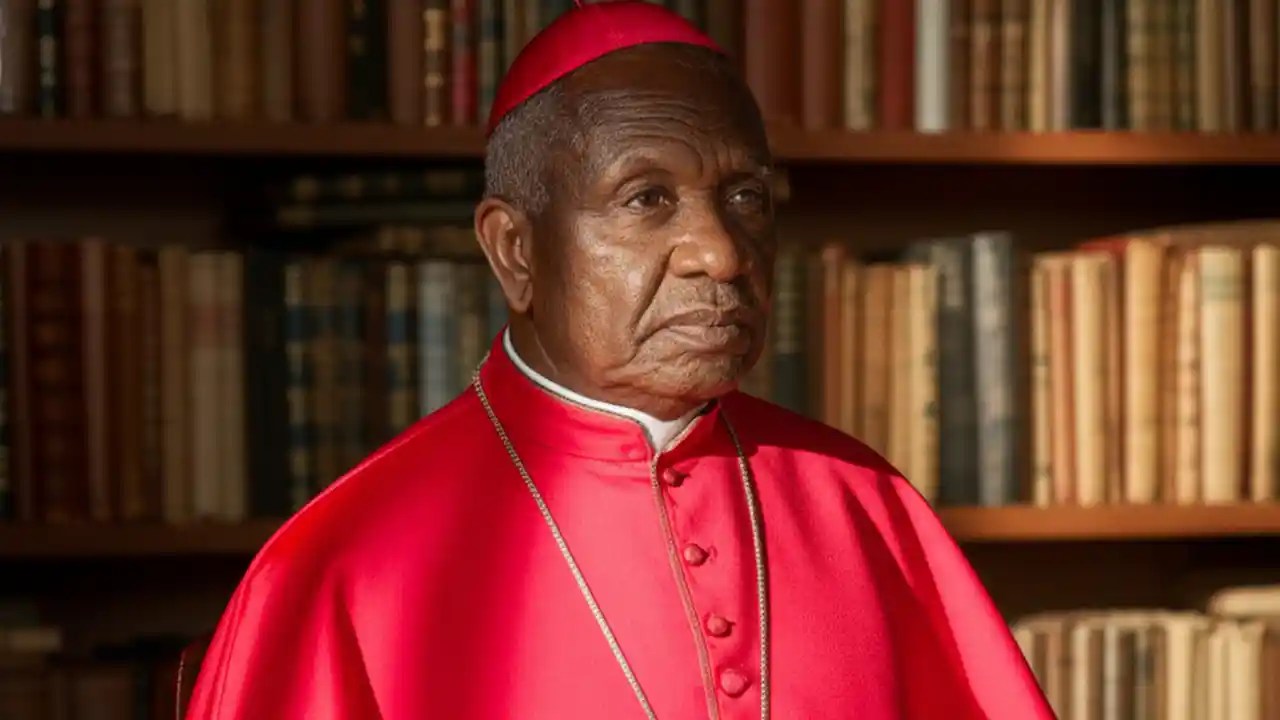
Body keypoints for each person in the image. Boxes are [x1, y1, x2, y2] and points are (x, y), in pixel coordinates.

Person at [184, 2, 1055, 718]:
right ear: (517, 252)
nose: (719, 252)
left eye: (745, 197)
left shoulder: (866, 505)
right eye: (647, 198)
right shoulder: (344, 562)